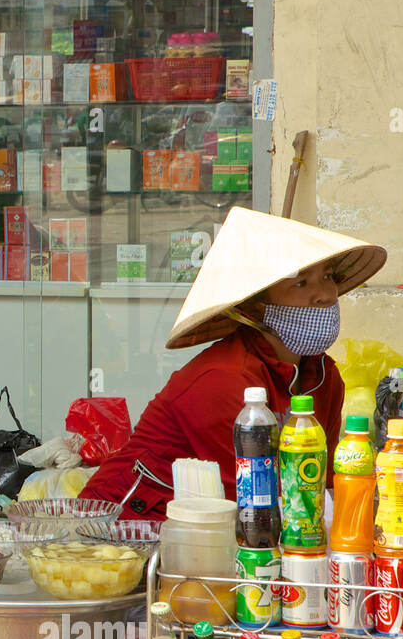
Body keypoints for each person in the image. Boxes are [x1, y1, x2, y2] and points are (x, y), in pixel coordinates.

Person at [80, 207, 387, 519]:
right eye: (301, 283)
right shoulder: (223, 379)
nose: (325, 294)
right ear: (254, 308)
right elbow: (255, 502)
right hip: (120, 526)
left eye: (328, 276)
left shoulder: (324, 377)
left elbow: (322, 484)